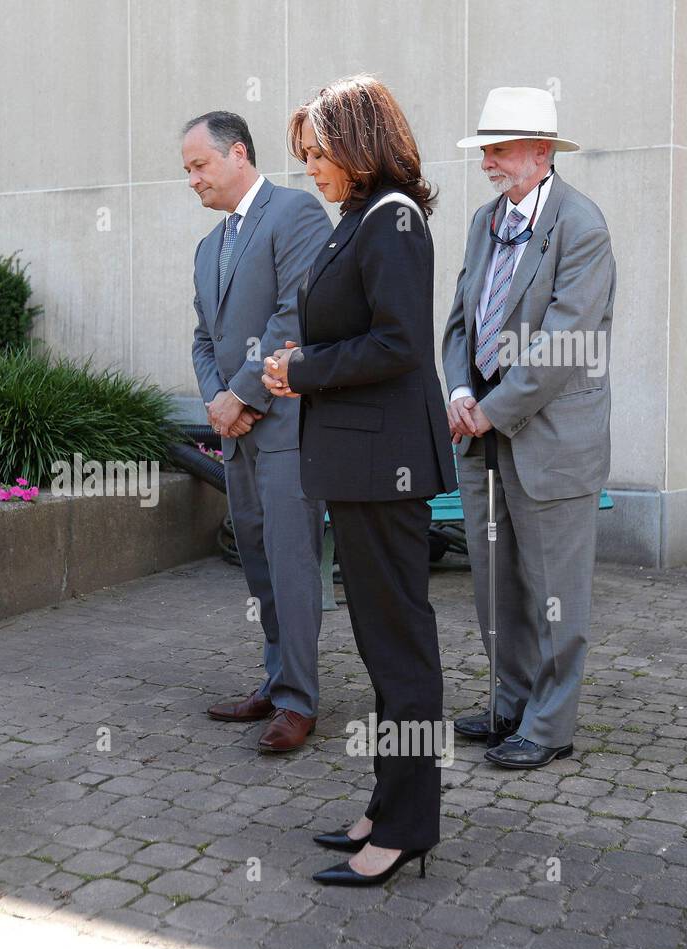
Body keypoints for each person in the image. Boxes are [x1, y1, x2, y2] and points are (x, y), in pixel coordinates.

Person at [262, 75, 454, 885]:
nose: (311, 167)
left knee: (402, 652)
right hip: (361, 466)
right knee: (383, 650)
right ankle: (386, 802)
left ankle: (409, 825)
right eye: (304, 155)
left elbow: (400, 343)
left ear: (359, 144)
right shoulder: (360, 221)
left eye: (319, 153)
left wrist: (301, 369)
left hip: (386, 468)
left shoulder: (394, 221)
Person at [443, 86, 615, 769]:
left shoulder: (583, 225)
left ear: (541, 153)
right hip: (482, 434)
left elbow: (561, 344)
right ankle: (509, 701)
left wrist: (491, 406)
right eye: (485, 148)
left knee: (552, 590)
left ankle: (550, 724)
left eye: (501, 148)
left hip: (551, 440)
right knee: (495, 582)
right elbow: (461, 319)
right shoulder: (485, 219)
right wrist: (459, 389)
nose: (488, 160)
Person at [183, 111, 334, 754]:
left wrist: (241, 396)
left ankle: (300, 702)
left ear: (238, 153)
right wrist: (220, 404)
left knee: (295, 565)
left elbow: (294, 316)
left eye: (199, 166)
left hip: (289, 429)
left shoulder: (295, 214)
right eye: (187, 170)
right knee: (260, 562)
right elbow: (202, 337)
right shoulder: (207, 247)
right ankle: (277, 683)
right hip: (238, 434)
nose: (192, 180)